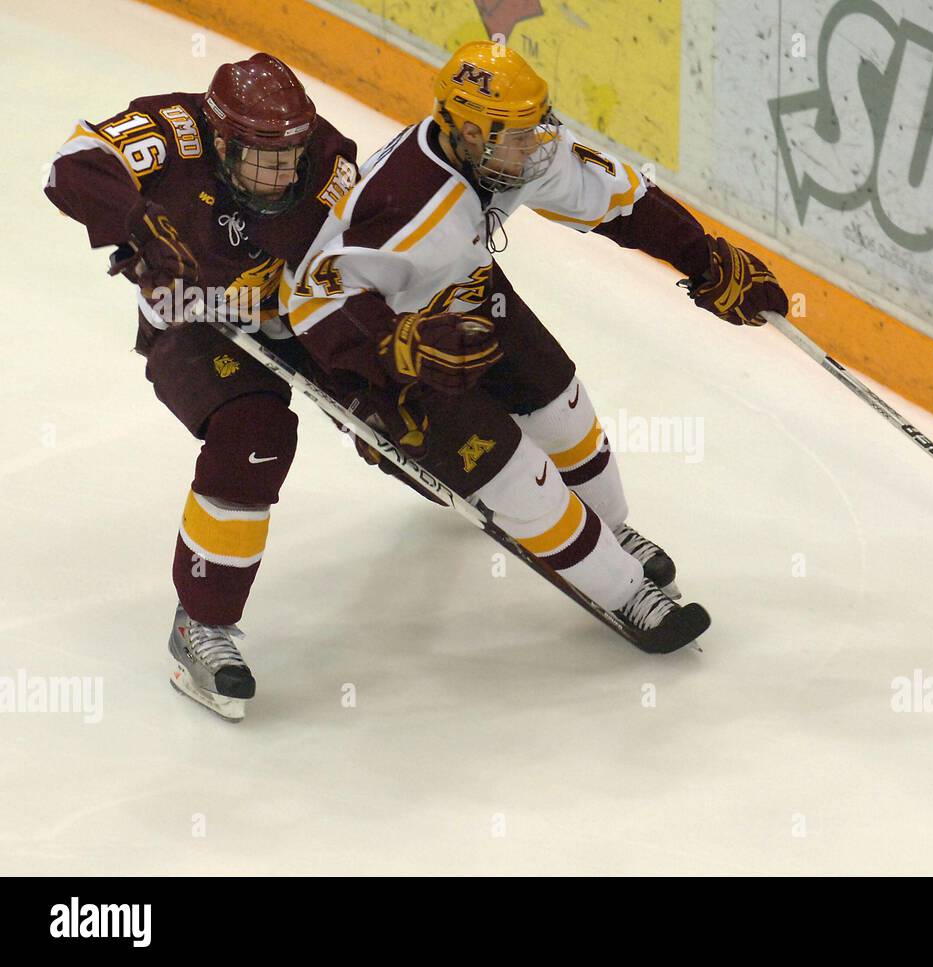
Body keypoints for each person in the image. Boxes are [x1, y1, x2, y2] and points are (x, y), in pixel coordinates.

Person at [286, 40, 788, 654]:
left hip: (469, 297)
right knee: (519, 477)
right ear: (469, 132)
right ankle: (625, 589)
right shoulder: (405, 206)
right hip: (394, 358)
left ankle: (609, 532)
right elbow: (314, 302)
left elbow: (622, 201)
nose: (538, 145)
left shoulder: (511, 151)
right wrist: (398, 350)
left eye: (537, 127)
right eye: (520, 134)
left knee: (563, 408)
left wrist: (703, 256)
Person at [46, 53, 359, 720]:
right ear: (221, 141)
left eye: (289, 157)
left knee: (406, 386)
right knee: (257, 434)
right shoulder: (175, 130)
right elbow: (71, 165)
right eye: (261, 158)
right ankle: (203, 623)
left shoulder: (326, 157)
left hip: (299, 310)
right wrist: (135, 221)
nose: (280, 174)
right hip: (196, 322)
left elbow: (359, 254)